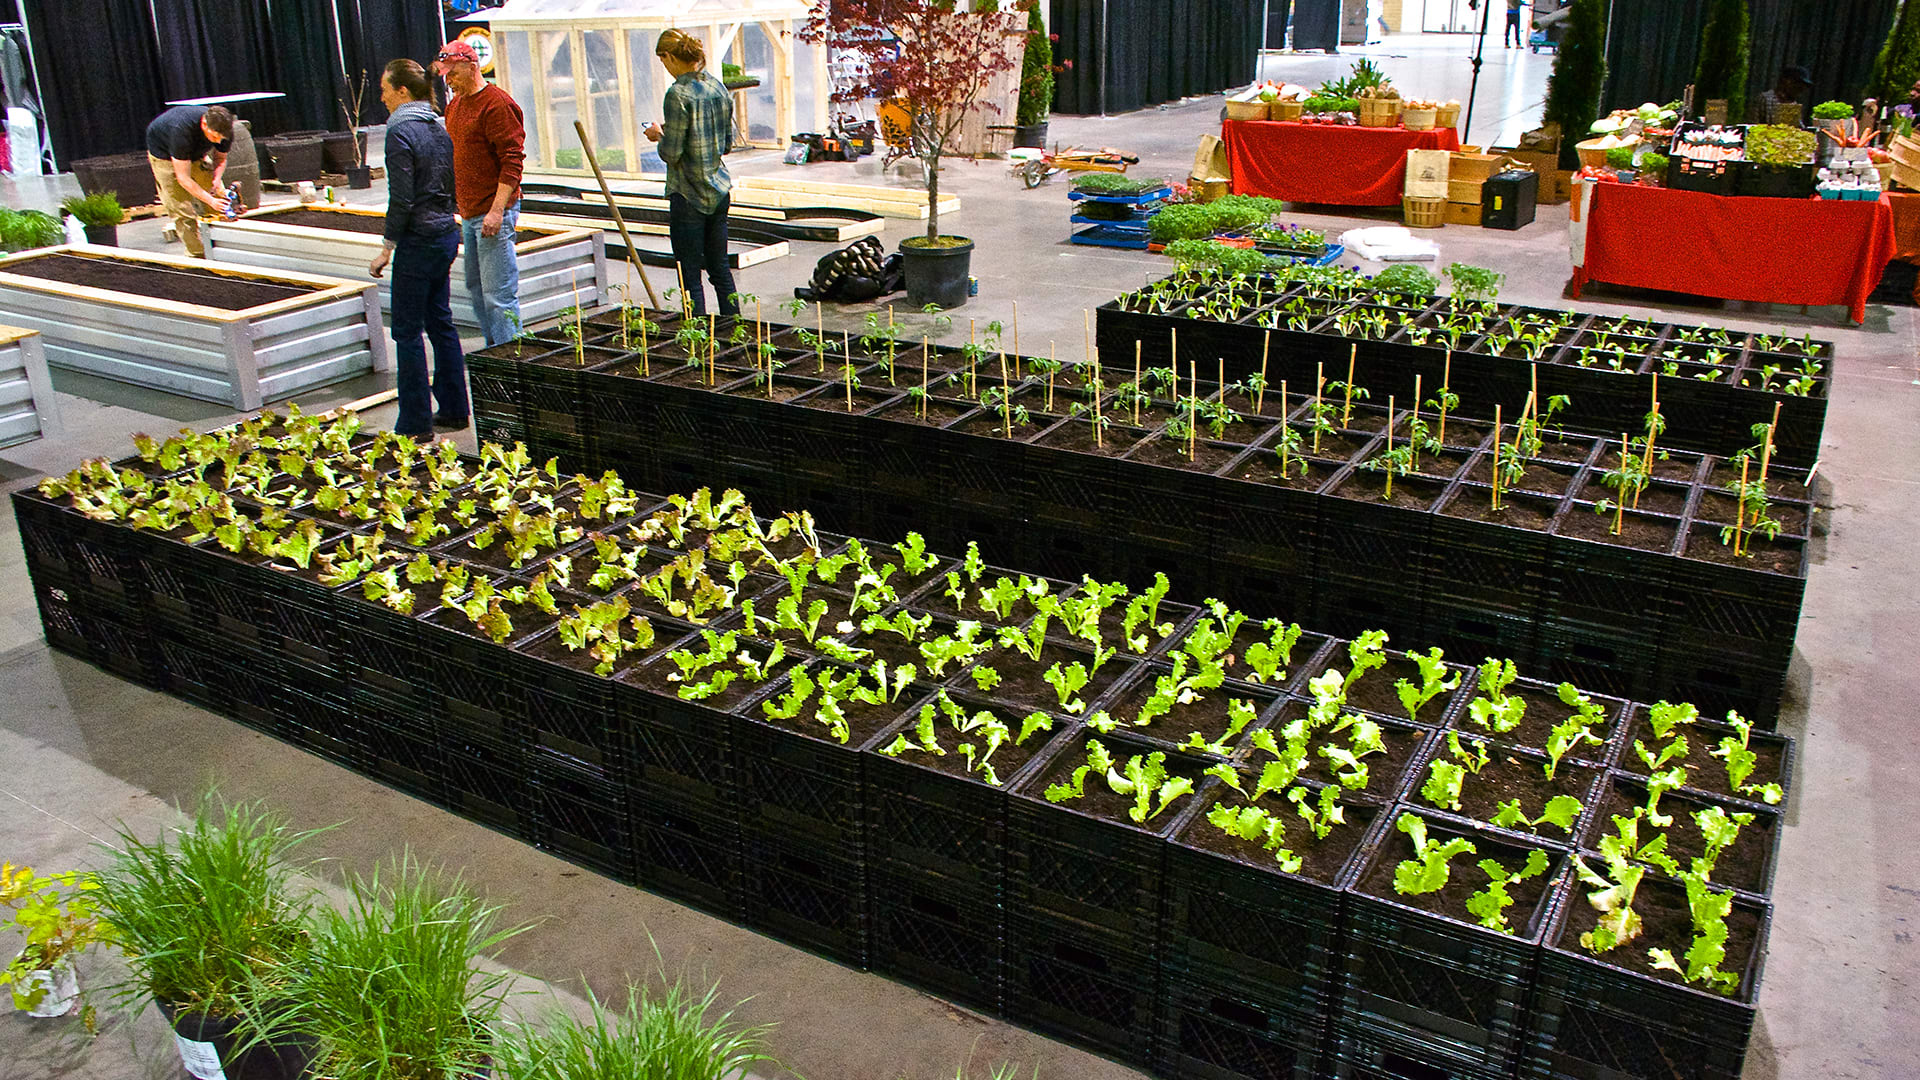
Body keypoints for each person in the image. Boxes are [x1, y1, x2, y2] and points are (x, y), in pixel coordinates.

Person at [369, 59, 467, 438]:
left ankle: (415, 423)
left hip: (419, 241)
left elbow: (402, 199)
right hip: (444, 234)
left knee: (407, 332)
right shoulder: (438, 128)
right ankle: (456, 409)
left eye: (385, 90)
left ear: (403, 91)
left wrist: (386, 247)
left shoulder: (400, 133)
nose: (382, 98)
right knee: (440, 320)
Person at [644, 28, 739, 318]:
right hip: (719, 189)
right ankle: (736, 331)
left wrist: (659, 135)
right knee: (720, 268)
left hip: (688, 195)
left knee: (689, 274)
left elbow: (671, 153)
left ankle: (697, 339)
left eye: (664, 61)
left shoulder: (677, 94)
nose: (665, 67)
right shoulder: (718, 87)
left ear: (671, 57)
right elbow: (725, 145)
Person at [436, 40, 525, 346]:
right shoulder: (455, 107)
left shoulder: (497, 104)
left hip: (492, 211)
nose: (448, 80)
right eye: (445, 74)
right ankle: (494, 350)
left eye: (453, 73)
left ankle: (510, 362)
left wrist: (497, 210)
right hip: (470, 212)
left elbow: (512, 161)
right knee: (476, 287)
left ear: (472, 66)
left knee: (498, 295)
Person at [144, 104, 234, 258]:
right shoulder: (180, 131)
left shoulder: (225, 130)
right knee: (181, 209)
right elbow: (183, 178)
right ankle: (198, 256)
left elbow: (220, 158)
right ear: (204, 124)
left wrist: (217, 179)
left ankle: (223, 250)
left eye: (221, 138)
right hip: (165, 156)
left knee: (219, 202)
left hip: (196, 153)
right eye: (214, 137)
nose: (218, 142)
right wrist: (210, 200)